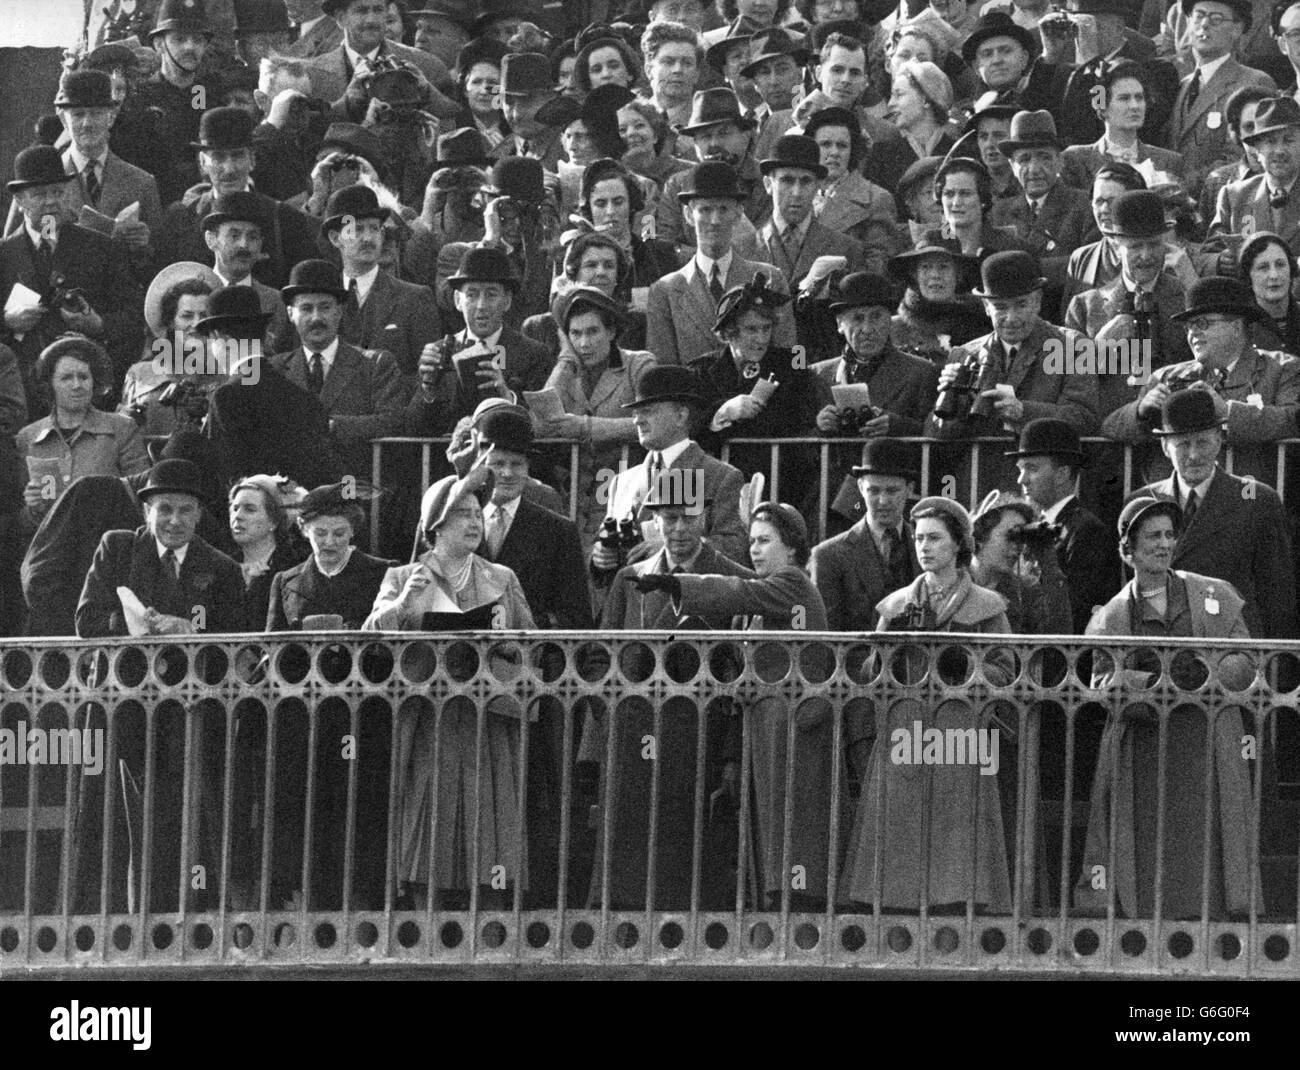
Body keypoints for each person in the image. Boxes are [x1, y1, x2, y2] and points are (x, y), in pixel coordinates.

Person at [639, 500, 835, 910]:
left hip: (791, 721)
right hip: (767, 720)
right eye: (752, 542)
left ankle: (796, 906)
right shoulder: (773, 593)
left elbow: (740, 590)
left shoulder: (793, 583)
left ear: (793, 548)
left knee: (791, 821)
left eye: (765, 541)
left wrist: (680, 585)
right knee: (770, 822)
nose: (755, 550)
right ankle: (774, 904)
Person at [1075, 495, 1260, 920]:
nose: (1163, 544)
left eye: (1169, 534)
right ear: (1128, 550)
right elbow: (1102, 683)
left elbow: (1248, 659)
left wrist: (1205, 673)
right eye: (1151, 536)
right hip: (1146, 748)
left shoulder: (1213, 594)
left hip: (1208, 741)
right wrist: (1158, 684)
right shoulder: (1111, 617)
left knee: (1208, 839)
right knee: (1150, 845)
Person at [74, 459, 245, 912]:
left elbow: (235, 643)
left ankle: (186, 922)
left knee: (186, 819)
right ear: (146, 510)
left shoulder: (222, 567)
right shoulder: (118, 549)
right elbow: (86, 620)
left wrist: (192, 630)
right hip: (124, 707)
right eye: (164, 509)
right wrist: (135, 626)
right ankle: (122, 925)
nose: (174, 520)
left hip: (191, 713)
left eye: (185, 510)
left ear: (200, 514)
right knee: (118, 820)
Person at [578, 472, 755, 911]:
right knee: (629, 852)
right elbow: (600, 656)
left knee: (689, 848)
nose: (677, 529)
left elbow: (742, 671)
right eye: (667, 518)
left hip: (700, 739)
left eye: (686, 518)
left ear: (706, 518)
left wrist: (728, 747)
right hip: (635, 737)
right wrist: (615, 713)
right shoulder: (631, 579)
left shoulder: (733, 579)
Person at [363, 466, 536, 909]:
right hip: (428, 718)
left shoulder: (503, 578)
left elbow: (533, 647)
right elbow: (371, 641)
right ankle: (426, 920)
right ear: (434, 524)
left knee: (491, 818)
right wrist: (405, 607)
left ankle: (493, 925)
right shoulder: (403, 577)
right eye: (462, 512)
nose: (474, 521)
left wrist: (507, 648)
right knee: (426, 811)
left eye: (478, 512)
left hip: (489, 717)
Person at [839, 496, 1014, 913]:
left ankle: (955, 907)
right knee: (902, 823)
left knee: (955, 825)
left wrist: (968, 669)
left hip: (959, 726)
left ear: (958, 544)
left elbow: (1007, 671)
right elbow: (867, 674)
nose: (924, 547)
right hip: (906, 722)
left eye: (935, 538)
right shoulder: (896, 605)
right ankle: (899, 912)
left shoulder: (987, 606)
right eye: (918, 538)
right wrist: (890, 654)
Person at [258, 480, 397, 908]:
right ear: (303, 531)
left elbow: (396, 647)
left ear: (353, 532)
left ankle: (370, 910)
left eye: (339, 533)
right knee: (311, 811)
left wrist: (355, 641)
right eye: (320, 533)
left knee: (365, 806)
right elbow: (271, 648)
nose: (330, 542)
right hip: (307, 716)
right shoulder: (286, 580)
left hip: (365, 715)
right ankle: (320, 911)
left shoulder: (382, 573)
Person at [1129, 387, 1297, 639]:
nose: (1194, 455)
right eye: (1183, 444)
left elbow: (1278, 601)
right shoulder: (1141, 503)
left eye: (1202, 442)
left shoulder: (1257, 501)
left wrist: (1277, 673)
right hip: (1161, 656)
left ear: (1219, 440)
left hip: (1234, 656)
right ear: (1165, 447)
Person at [1105, 276, 1300, 489]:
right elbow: (1109, 427)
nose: (1192, 332)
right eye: (1188, 326)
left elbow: (1292, 420)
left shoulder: (1281, 368)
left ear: (1236, 326)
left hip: (1248, 495)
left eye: (1203, 323)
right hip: (1173, 503)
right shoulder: (1167, 376)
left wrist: (1227, 411)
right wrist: (1141, 411)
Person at [1, 145, 142, 411]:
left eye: (57, 192)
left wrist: (98, 324)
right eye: (40, 194)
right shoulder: (4, 256)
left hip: (89, 392)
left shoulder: (102, 248)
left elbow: (134, 315)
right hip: (24, 397)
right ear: (19, 201)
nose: (51, 201)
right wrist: (8, 322)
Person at [593, 365, 749, 571]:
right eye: (636, 412)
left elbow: (735, 550)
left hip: (687, 598)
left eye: (648, 411)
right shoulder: (621, 482)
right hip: (633, 599)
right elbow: (602, 548)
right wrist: (599, 556)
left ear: (681, 416)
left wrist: (676, 547)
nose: (637, 420)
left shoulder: (720, 477)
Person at [535, 288, 655, 552]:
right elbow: (541, 425)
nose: (584, 343)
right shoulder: (564, 372)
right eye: (575, 334)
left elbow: (654, 421)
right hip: (573, 501)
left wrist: (586, 427)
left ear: (611, 332)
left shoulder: (639, 365)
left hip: (623, 497)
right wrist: (565, 362)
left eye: (592, 332)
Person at [151, 107, 322, 290]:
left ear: (252, 159)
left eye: (237, 155)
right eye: (219, 157)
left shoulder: (285, 220)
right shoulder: (181, 219)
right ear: (202, 162)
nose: (229, 168)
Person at [646, 162, 794, 366]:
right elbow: (664, 370)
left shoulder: (769, 278)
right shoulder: (665, 291)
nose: (714, 220)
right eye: (705, 210)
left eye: (723, 209)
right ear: (689, 215)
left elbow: (790, 354)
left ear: (738, 213)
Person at [1065, 189, 1192, 424]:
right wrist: (1097, 349)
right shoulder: (1084, 305)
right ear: (1116, 247)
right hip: (1109, 437)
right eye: (1135, 247)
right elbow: (1063, 381)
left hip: (1174, 434)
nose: (1146, 255)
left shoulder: (1187, 300)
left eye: (1154, 244)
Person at [271, 259, 407, 476]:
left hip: (353, 488)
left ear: (340, 311)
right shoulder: (274, 370)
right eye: (306, 308)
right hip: (292, 491)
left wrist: (331, 426)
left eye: (325, 307)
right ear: (290, 314)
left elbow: (393, 422)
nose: (316, 318)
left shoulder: (375, 364)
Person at [16, 336, 148, 533]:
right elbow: (20, 522)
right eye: (66, 378)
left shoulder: (121, 428)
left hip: (108, 545)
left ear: (94, 382)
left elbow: (143, 499)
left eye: (84, 377)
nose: (77, 385)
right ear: (50, 384)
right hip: (52, 549)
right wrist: (34, 509)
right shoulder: (28, 438)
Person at [1010, 418, 1119, 634]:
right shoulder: (1035, 524)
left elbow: (1078, 611)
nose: (1022, 480)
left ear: (1062, 474)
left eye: (1032, 469)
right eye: (1020, 469)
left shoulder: (1087, 531)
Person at [324, 183, 440, 378]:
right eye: (357, 229)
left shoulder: (415, 298)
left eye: (374, 228)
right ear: (336, 239)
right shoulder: (320, 299)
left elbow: (428, 377)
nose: (368, 238)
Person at [1161, 0, 1276, 197]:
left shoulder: (1253, 82)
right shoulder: (1182, 84)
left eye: (1216, 19)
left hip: (1224, 201)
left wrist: (1183, 186)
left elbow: (1243, 154)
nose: (1204, 24)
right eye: (1198, 16)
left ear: (1237, 29)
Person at [809, 438, 921, 631]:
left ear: (909, 490)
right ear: (860, 488)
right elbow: (826, 638)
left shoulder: (925, 546)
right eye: (874, 491)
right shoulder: (828, 556)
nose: (883, 501)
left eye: (892, 491)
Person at [987, 110, 1098, 297]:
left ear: (1060, 162)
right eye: (1024, 159)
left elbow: (1091, 264)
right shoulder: (999, 212)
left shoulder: (1085, 205)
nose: (1034, 169)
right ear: (1012, 166)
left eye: (1044, 157)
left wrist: (1026, 269)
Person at [749, 134, 868, 297]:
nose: (796, 192)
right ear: (768, 185)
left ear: (818, 185)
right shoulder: (742, 250)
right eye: (787, 180)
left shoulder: (846, 250)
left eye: (805, 181)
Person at [801, 106, 902, 276]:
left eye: (842, 146)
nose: (834, 152)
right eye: (825, 144)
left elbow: (878, 270)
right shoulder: (797, 193)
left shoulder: (876, 199)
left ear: (852, 150)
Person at [1203, 95, 1300, 269]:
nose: (1279, 150)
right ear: (1257, 149)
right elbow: (1207, 255)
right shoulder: (1233, 196)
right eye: (1270, 141)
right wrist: (1220, 261)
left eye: (1288, 140)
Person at [1059, 61, 1186, 191]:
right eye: (1124, 98)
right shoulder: (1075, 159)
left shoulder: (1169, 162)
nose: (1135, 106)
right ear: (1103, 108)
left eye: (1139, 98)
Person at [969, 489, 1071, 634]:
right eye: (1010, 536)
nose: (1017, 547)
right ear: (980, 536)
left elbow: (1059, 638)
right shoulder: (952, 581)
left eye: (1021, 539)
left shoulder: (1025, 592)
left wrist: (1049, 567)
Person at [228, 475, 308, 630]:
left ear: (273, 521)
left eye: (249, 509)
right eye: (235, 508)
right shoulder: (221, 566)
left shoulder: (296, 569)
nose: (237, 517)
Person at [887, 243, 987, 366]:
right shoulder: (893, 330)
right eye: (926, 267)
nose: (935, 275)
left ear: (958, 274)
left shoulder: (980, 325)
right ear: (914, 275)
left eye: (943, 267)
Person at [920, 156, 1031, 262]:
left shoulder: (1009, 248)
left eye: (965, 194)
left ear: (982, 199)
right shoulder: (931, 245)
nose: (956, 202)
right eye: (949, 194)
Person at [1240, 230, 1300, 353]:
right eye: (1263, 267)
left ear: (1291, 270)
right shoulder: (1239, 329)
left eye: (1280, 265)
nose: (1274, 275)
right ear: (1248, 276)